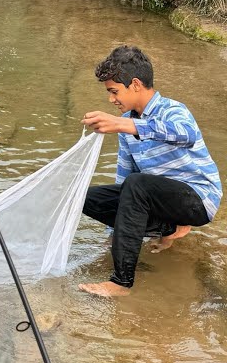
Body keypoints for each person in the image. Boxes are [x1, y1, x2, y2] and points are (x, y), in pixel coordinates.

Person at [78, 45, 220, 297]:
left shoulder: (173, 110)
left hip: (197, 200)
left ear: (135, 84)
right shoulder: (127, 126)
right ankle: (170, 229)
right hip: (157, 200)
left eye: (114, 91)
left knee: (137, 184)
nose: (111, 100)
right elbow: (124, 181)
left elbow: (185, 134)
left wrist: (127, 125)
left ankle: (121, 283)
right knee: (84, 197)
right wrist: (114, 236)